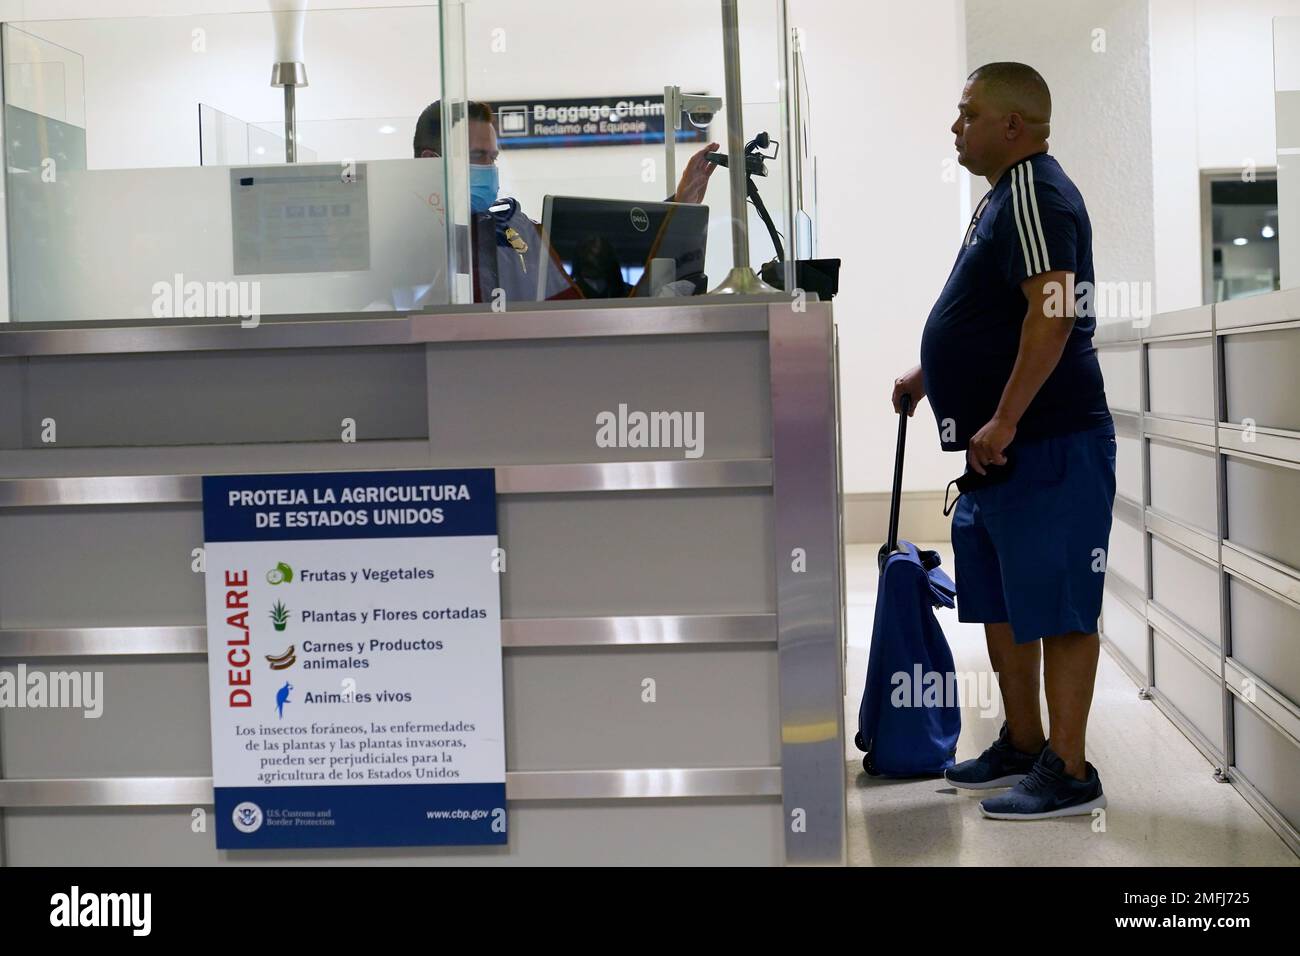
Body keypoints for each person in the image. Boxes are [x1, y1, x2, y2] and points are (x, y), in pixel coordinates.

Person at [892, 62, 1115, 820]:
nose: (956, 128)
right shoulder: (1003, 198)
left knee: (1058, 607)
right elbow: (989, 314)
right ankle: (1023, 743)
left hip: (1050, 443)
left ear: (1012, 126)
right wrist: (932, 374)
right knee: (1005, 603)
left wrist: (1010, 416)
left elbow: (1051, 313)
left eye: (968, 114)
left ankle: (1070, 768)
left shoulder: (1035, 192)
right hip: (1003, 453)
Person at [412, 100, 719, 303]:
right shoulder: (401, 243)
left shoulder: (511, 231)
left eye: (493, 158)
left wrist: (678, 208)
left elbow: (585, 298)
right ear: (431, 162)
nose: (490, 169)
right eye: (478, 156)